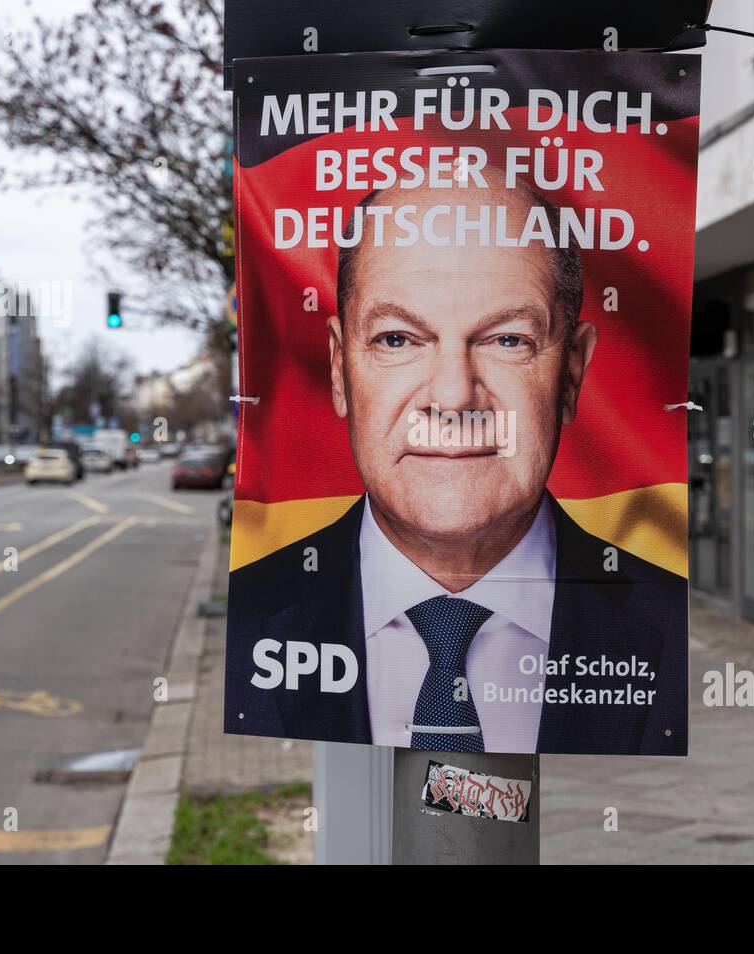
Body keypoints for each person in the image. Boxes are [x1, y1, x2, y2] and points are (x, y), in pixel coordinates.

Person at [226, 180, 687, 755]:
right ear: (341, 370)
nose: (452, 396)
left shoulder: (674, 627)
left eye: (507, 340)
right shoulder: (247, 618)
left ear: (571, 372)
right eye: (397, 339)